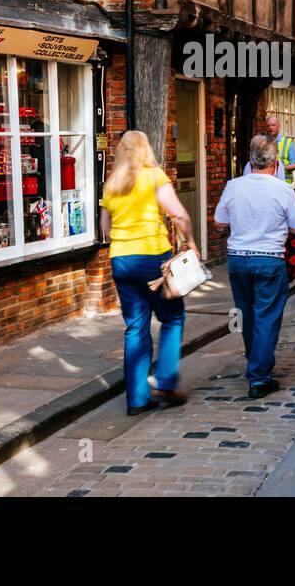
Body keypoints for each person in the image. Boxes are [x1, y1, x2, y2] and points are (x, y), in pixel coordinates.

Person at [99, 130, 197, 416]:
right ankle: (165, 382)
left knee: (136, 327)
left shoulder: (112, 184)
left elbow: (105, 228)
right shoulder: (154, 176)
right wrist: (188, 242)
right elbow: (178, 215)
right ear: (145, 150)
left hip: (121, 261)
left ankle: (137, 399)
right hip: (152, 257)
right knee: (172, 316)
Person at [215, 134, 295, 399]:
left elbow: (220, 222)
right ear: (276, 162)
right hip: (269, 259)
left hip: (238, 259)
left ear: (250, 160)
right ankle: (259, 377)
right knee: (266, 318)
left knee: (246, 316)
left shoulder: (234, 186)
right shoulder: (283, 189)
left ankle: (256, 364)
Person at [266, 114, 295, 186]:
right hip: (268, 183)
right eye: (268, 126)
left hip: (284, 183)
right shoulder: (264, 142)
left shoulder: (288, 142)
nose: (270, 127)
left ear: (279, 126)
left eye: (273, 125)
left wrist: (279, 167)